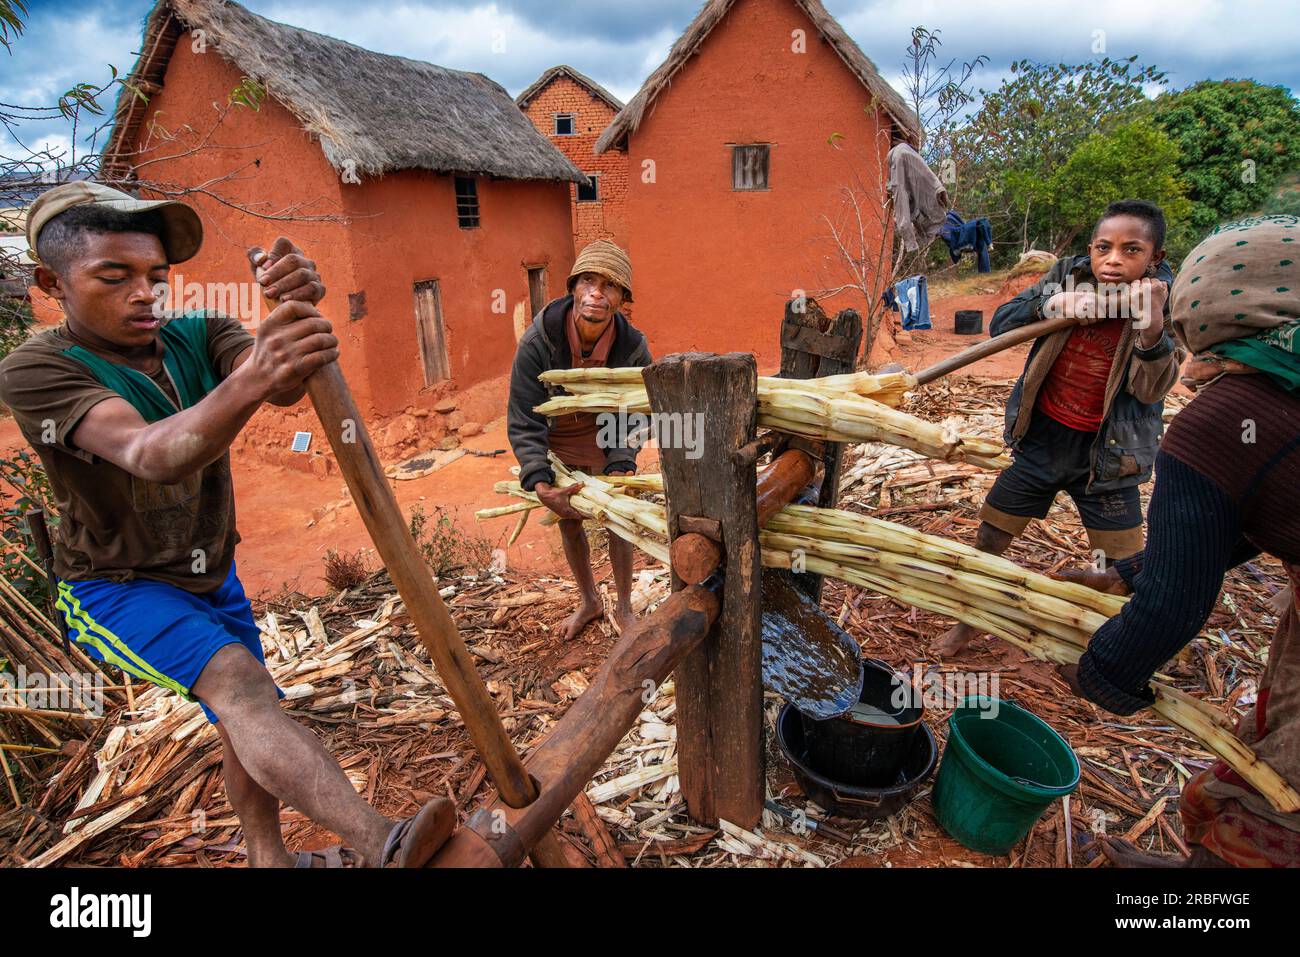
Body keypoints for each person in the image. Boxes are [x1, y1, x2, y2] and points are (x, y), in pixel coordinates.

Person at [0, 182, 452, 867]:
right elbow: (152, 452)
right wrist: (257, 373)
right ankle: (384, 843)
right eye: (114, 277)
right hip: (116, 586)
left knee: (249, 711)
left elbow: (282, 383)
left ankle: (270, 858)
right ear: (50, 282)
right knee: (239, 684)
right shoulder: (37, 370)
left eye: (156, 276)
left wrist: (288, 320)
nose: (144, 293)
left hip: (211, 571)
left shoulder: (199, 332)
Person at [1057, 215, 1300, 867]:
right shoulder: (1286, 389)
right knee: (1269, 757)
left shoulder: (1223, 419)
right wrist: (1128, 574)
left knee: (1280, 806)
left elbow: (1175, 603)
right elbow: (1244, 523)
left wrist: (1104, 670)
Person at [936, 199, 1183, 657]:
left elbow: (1153, 391)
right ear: (1090, 250)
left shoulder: (1162, 303)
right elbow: (1002, 323)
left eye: (1131, 250)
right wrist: (1054, 301)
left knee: (1120, 565)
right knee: (991, 537)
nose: (1113, 259)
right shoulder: (1067, 278)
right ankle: (969, 622)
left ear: (1155, 258)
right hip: (1043, 442)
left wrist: (1150, 332)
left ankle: (1110, 644)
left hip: (1110, 458)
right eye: (1103, 247)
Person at [507, 240, 651, 640]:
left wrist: (622, 461)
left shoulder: (633, 347)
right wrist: (539, 478)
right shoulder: (538, 343)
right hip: (559, 439)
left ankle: (623, 607)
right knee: (569, 520)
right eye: (588, 280)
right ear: (573, 287)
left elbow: (637, 411)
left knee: (619, 519)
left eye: (610, 286)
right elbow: (523, 416)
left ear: (622, 299)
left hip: (608, 435)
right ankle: (588, 599)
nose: (597, 293)